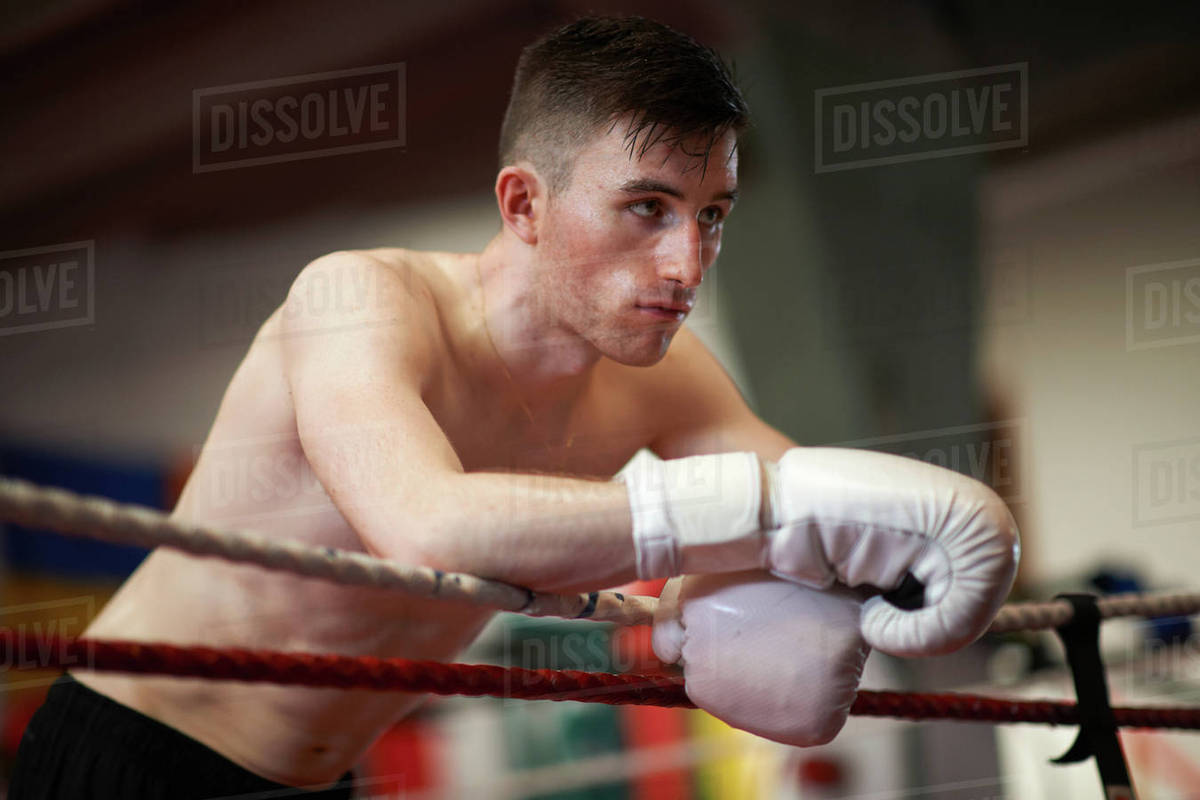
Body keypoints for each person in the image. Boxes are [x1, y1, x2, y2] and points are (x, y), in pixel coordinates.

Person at [10, 15, 1018, 798]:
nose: (686, 263)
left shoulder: (669, 377)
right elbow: (427, 526)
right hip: (132, 747)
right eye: (646, 207)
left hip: (324, 778)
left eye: (712, 216)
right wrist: (748, 511)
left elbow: (798, 521)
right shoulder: (359, 301)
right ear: (525, 204)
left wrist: (894, 571)